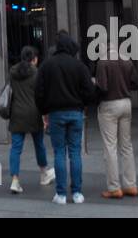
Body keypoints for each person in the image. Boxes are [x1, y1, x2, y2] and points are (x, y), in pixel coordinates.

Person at [34, 30, 95, 205]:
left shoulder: (47, 65)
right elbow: (90, 91)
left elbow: (39, 93)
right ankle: (76, 193)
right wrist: (82, 104)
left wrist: (44, 111)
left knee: (59, 153)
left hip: (55, 114)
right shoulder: (79, 66)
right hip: (76, 113)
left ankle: (60, 194)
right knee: (75, 153)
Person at [6, 46, 52, 195]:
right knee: (39, 145)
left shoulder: (13, 72)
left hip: (17, 113)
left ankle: (15, 180)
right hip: (34, 113)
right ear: (34, 59)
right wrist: (45, 116)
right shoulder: (37, 73)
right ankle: (44, 173)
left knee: (15, 148)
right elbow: (41, 95)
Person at [94, 44, 138, 198]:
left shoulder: (103, 62)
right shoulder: (127, 60)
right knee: (126, 145)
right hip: (126, 103)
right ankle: (130, 185)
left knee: (110, 146)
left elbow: (102, 88)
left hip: (109, 104)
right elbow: (135, 84)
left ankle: (114, 187)